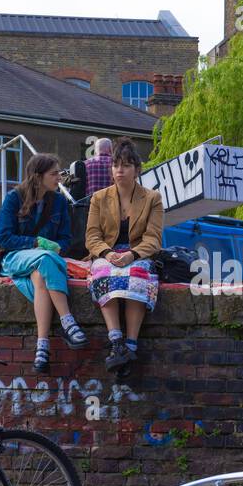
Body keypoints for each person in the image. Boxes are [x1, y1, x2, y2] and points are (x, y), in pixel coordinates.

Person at [0, 152, 88, 373]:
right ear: (38, 176)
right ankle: (67, 321)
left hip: (44, 263)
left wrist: (57, 247)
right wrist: (37, 242)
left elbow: (66, 240)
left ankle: (42, 347)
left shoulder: (59, 202)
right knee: (45, 258)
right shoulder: (13, 198)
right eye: (54, 173)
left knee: (40, 275)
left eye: (60, 173)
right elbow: (4, 238)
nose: (59, 178)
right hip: (15, 257)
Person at [85, 137, 164, 377]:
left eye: (127, 165)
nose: (120, 170)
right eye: (116, 164)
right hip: (107, 253)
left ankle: (130, 344)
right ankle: (116, 341)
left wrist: (131, 255)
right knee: (102, 272)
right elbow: (92, 236)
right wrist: (108, 254)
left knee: (137, 275)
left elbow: (153, 238)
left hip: (137, 252)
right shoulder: (99, 198)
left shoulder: (152, 198)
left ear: (137, 170)